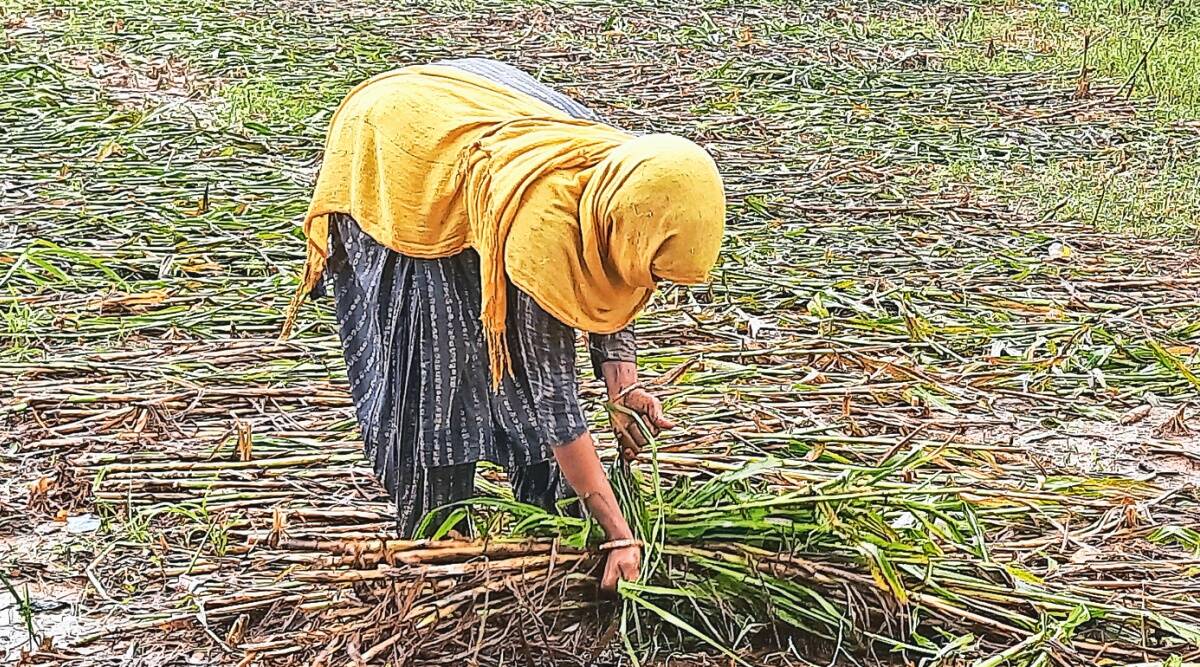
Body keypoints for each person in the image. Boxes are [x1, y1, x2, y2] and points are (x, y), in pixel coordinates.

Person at [282, 58, 725, 590]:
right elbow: (552, 394)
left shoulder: (636, 179)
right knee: (440, 373)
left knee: (507, 378)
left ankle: (555, 514)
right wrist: (619, 536)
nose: (650, 285)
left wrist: (623, 387)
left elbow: (614, 281)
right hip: (403, 151)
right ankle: (434, 544)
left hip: (480, 127)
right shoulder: (545, 227)